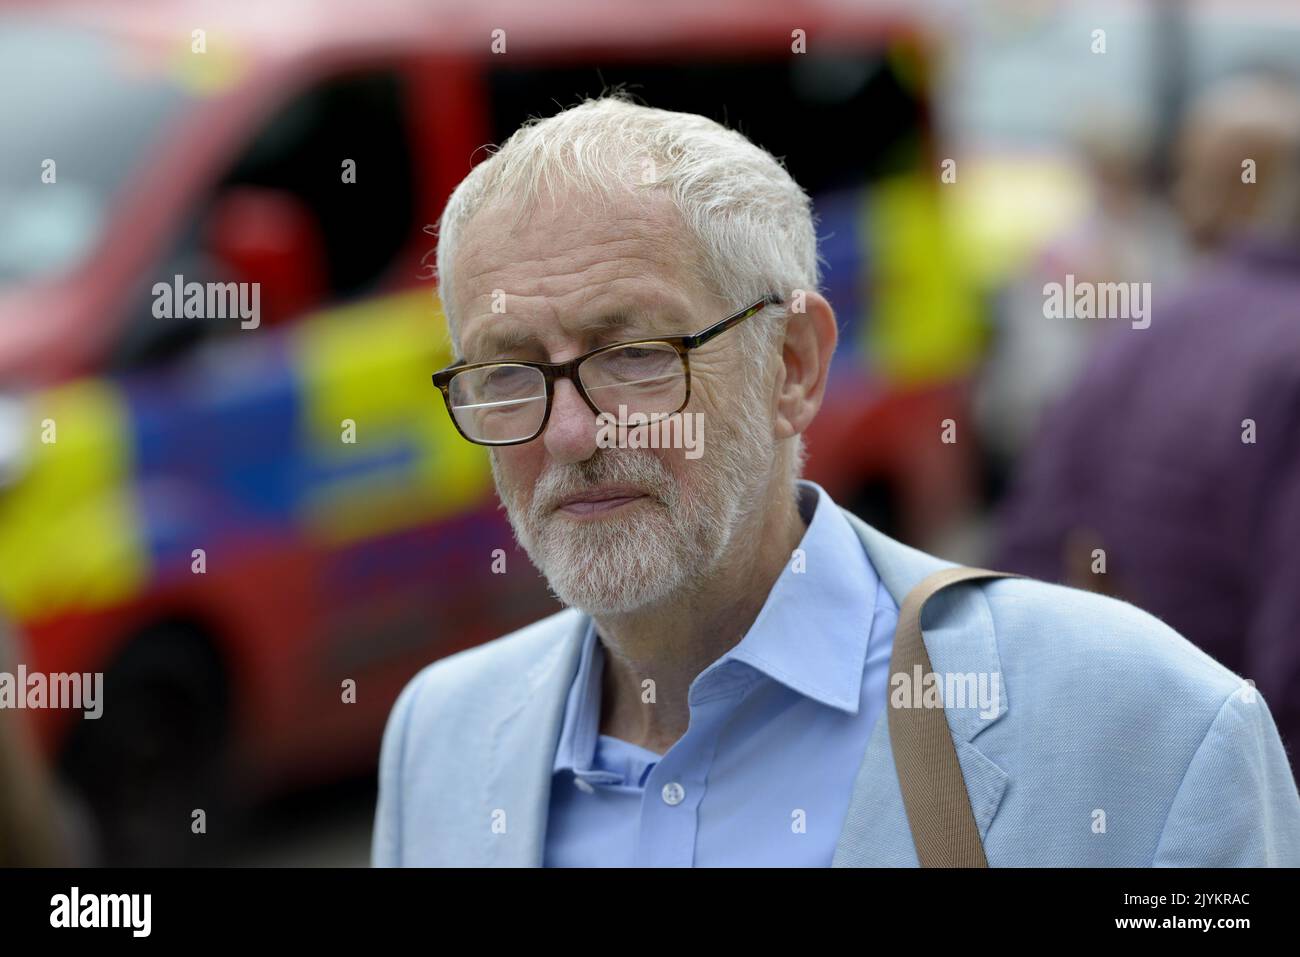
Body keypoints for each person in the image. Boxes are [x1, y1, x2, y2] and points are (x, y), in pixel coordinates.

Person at [373, 95, 1300, 867]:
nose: (570, 432)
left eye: (633, 355)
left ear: (794, 364)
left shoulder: (1149, 728)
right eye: (505, 372)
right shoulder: (439, 737)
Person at [996, 73, 1300, 769]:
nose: (1184, 199)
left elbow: (1025, 563)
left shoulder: (1142, 332)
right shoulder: (1106, 281)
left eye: (1196, 176)